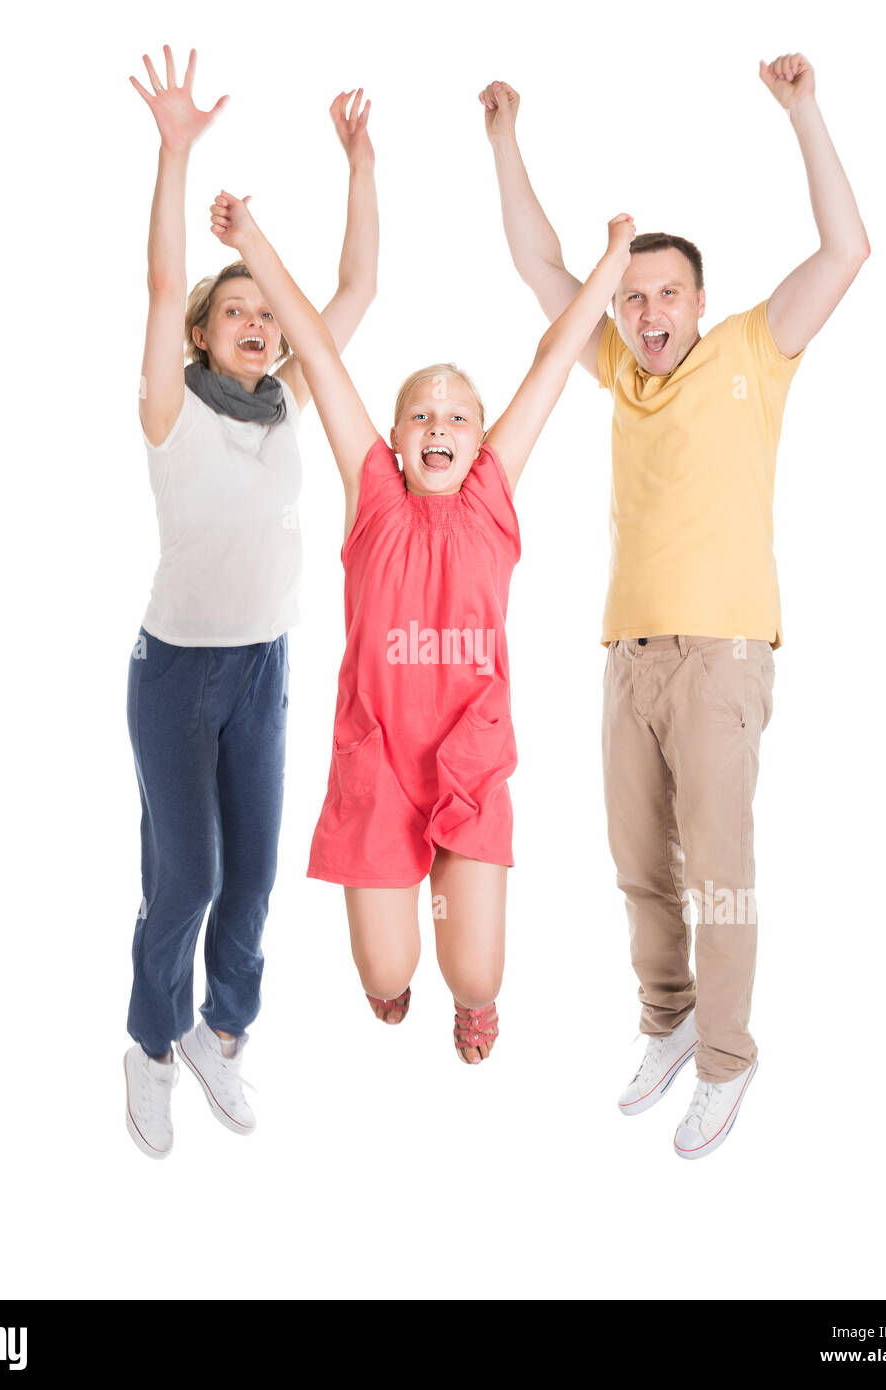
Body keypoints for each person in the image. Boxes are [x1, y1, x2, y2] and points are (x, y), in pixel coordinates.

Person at [481, 54, 869, 1155]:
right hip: (627, 656)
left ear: (699, 299)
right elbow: (534, 263)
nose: (647, 310)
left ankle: (728, 1056)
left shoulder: (754, 347)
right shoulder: (619, 370)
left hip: (721, 658)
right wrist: (505, 137)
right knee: (638, 864)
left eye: (666, 293)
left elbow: (847, 249)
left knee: (721, 872)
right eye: (633, 294)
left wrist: (802, 111)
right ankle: (668, 1017)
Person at [208, 184, 636, 1064]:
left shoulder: (489, 496)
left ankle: (470, 1002)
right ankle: (390, 977)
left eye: (457, 415)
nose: (438, 423)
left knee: (476, 976)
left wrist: (612, 266)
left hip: (469, 759)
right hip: (378, 761)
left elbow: (554, 361)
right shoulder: (372, 497)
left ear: (480, 441)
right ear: (397, 440)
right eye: (421, 414)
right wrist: (251, 240)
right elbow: (319, 354)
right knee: (385, 970)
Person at [122, 45, 378, 1159]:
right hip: (176, 672)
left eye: (269, 313)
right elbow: (158, 281)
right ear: (204, 331)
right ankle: (149, 1038)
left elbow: (359, 289)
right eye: (238, 310)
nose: (260, 323)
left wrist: (360, 160)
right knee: (189, 871)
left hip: (265, 666)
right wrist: (175, 153)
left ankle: (220, 1033)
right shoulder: (169, 408)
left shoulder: (288, 404)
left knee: (258, 875)